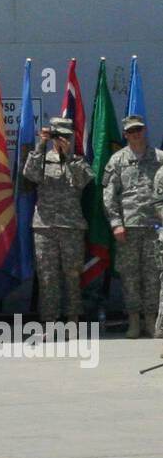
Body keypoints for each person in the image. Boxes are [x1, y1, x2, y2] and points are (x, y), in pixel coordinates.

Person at [22, 118, 93, 327]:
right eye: (58, 136)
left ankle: (73, 320)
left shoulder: (78, 161)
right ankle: (49, 322)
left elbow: (84, 181)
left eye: (66, 136)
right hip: (45, 227)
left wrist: (69, 157)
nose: (61, 140)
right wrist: (41, 145)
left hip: (71, 227)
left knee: (72, 275)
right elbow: (29, 174)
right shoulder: (41, 158)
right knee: (47, 277)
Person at [103, 114, 163, 338]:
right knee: (129, 275)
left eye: (139, 130)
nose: (136, 134)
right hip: (127, 227)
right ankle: (133, 321)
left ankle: (151, 321)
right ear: (125, 134)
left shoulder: (159, 158)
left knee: (153, 274)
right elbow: (109, 195)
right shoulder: (117, 160)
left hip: (155, 227)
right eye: (131, 131)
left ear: (144, 131)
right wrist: (116, 223)